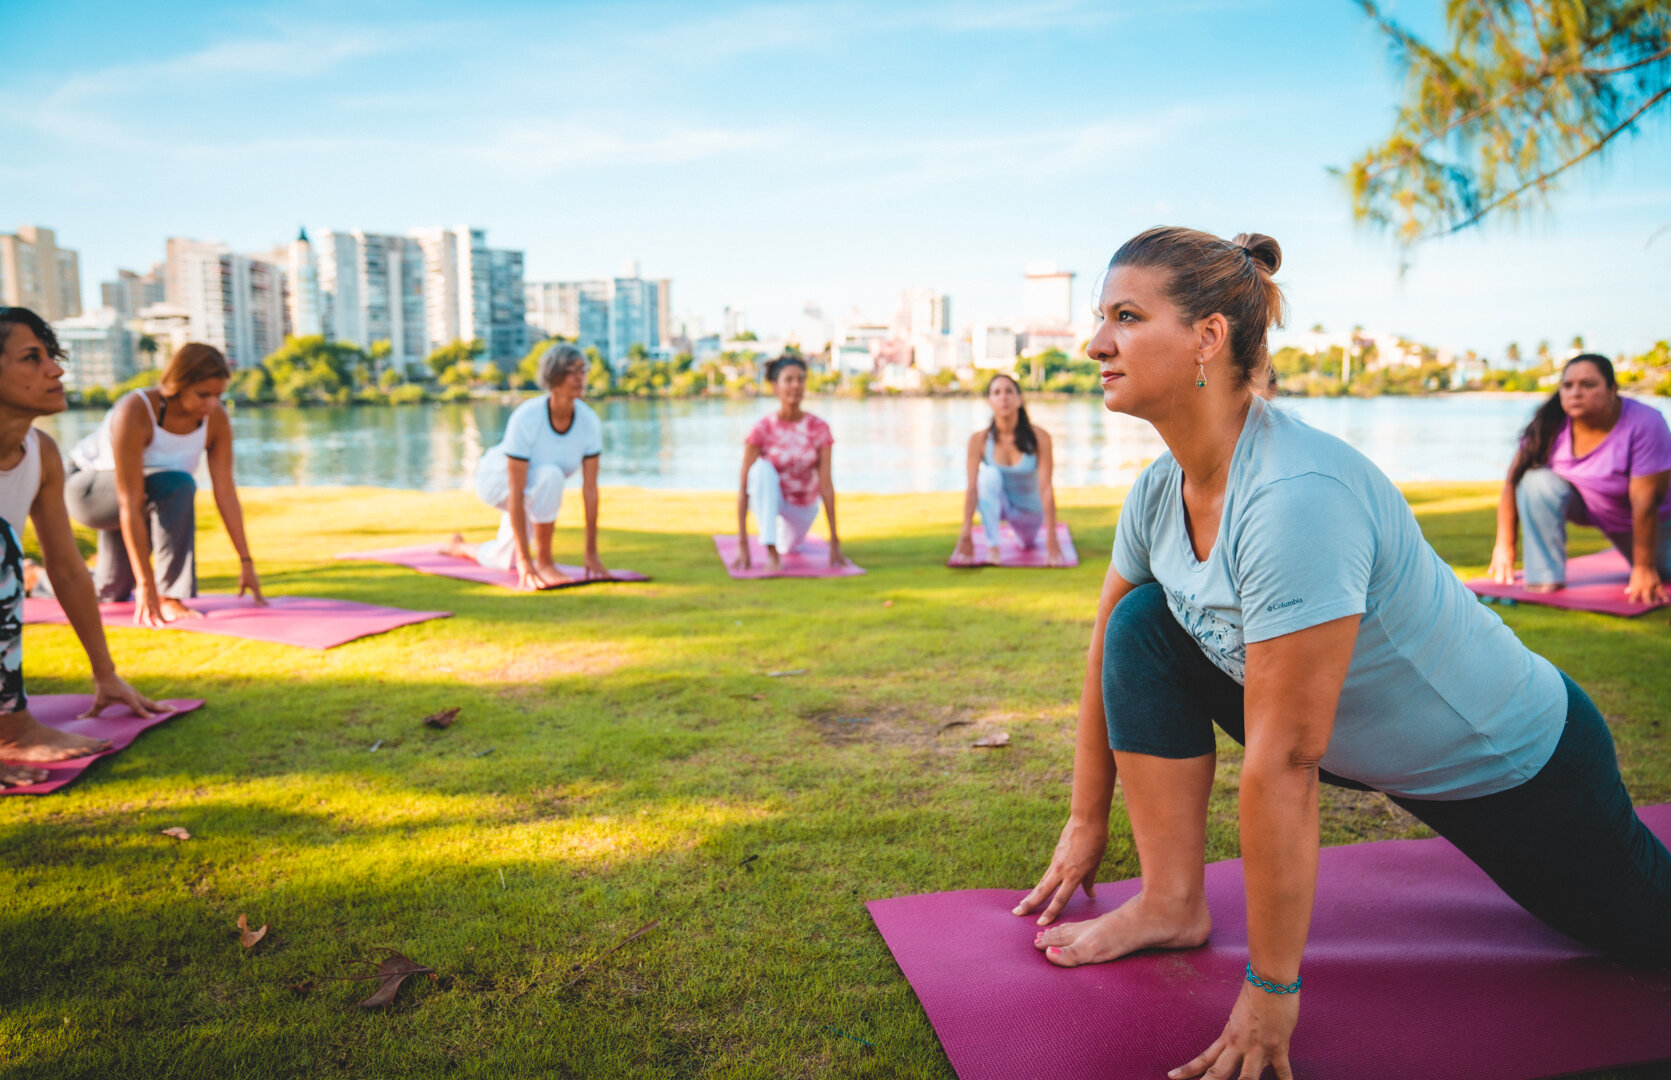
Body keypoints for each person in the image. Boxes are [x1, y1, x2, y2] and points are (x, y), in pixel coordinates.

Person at [1010, 228, 1671, 1080]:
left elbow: (1284, 759)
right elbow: (1112, 643)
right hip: (1370, 741)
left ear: (1209, 337)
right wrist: (1084, 820)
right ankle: (1171, 902)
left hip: (1508, 762)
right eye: (1101, 318)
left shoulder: (1296, 498)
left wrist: (1271, 990)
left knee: (1648, 937)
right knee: (1141, 622)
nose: (1095, 343)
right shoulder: (1156, 490)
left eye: (1125, 318)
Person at [0, 309, 162, 786]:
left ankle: (11, 723)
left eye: (51, 355)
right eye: (33, 358)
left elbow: (68, 570)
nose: (56, 370)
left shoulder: (42, 453)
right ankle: (11, 726)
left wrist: (105, 673)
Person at [64, 342, 264, 627]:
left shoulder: (216, 419)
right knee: (178, 484)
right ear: (179, 383)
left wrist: (246, 561)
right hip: (88, 489)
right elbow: (128, 501)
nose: (211, 403)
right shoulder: (137, 408)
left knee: (110, 591)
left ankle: (35, 578)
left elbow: (226, 493)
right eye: (203, 394)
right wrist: (148, 585)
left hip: (147, 495)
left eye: (218, 395)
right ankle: (170, 595)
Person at [1488, 354, 1671, 604]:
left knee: (1664, 572)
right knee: (1534, 480)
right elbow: (1513, 481)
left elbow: (1646, 503)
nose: (1575, 393)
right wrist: (1504, 545)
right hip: (1597, 511)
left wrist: (1643, 567)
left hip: (1657, 522)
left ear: (1612, 389)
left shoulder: (1645, 422)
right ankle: (1543, 577)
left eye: (1588, 385)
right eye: (1568, 385)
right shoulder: (1549, 425)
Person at [443, 343, 610, 589]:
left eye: (583, 370)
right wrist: (526, 560)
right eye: (572, 371)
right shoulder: (527, 418)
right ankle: (544, 561)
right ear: (554, 375)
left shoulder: (588, 422)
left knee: (504, 558)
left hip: (537, 486)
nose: (580, 377)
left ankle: (458, 547)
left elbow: (590, 491)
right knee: (552, 476)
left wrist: (591, 552)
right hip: (496, 482)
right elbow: (516, 488)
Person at [731, 355, 846, 573]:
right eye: (789, 380)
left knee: (789, 545)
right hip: (770, 501)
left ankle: (780, 544)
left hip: (802, 507)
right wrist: (742, 544)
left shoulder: (818, 428)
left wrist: (834, 541)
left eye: (800, 379)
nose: (796, 385)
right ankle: (771, 553)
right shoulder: (762, 429)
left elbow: (826, 486)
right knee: (760, 470)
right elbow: (744, 488)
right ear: (775, 386)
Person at [952, 373, 1063, 566]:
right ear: (990, 401)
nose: (1003, 397)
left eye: (1009, 391)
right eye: (996, 392)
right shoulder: (979, 440)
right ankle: (993, 547)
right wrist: (965, 532)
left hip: (1029, 513)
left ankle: (1019, 533)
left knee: (1026, 544)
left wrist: (1052, 537)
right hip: (998, 504)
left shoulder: (1040, 437)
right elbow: (972, 488)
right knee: (988, 476)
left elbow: (1046, 488)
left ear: (1019, 399)